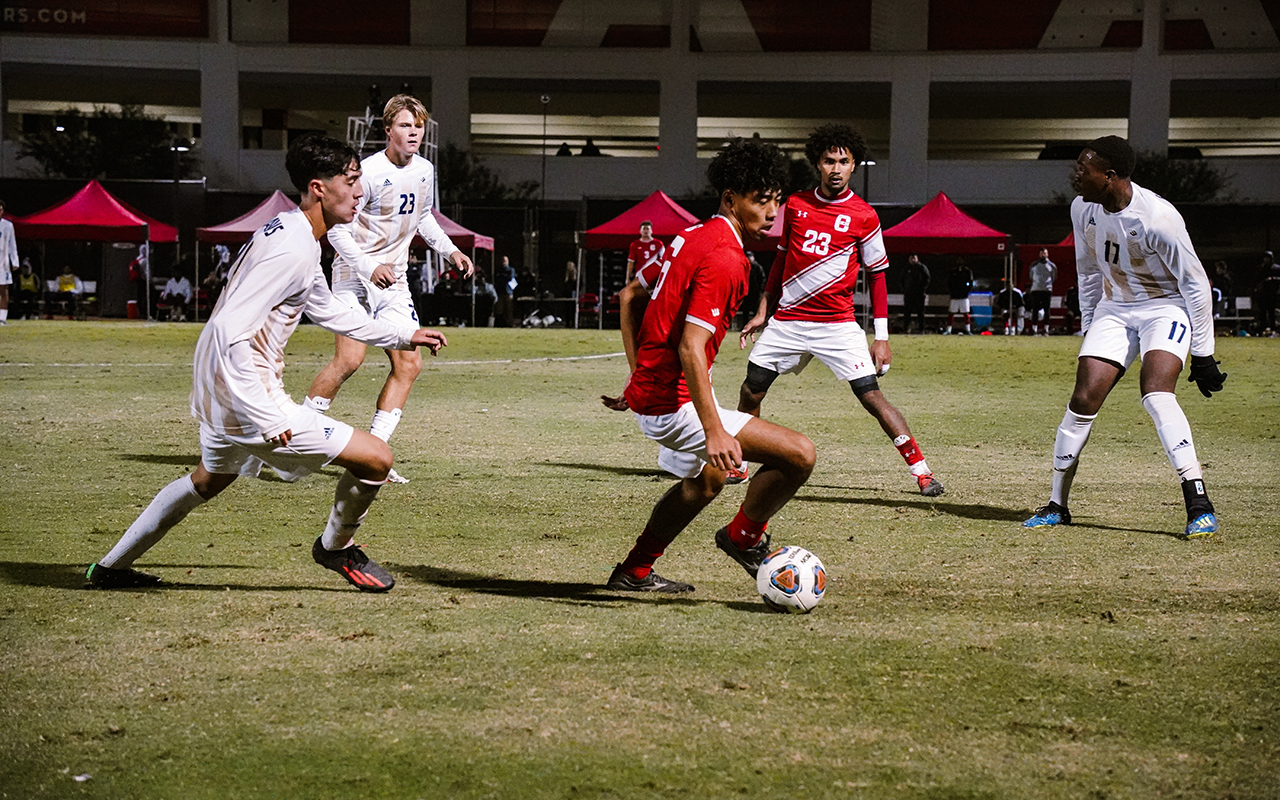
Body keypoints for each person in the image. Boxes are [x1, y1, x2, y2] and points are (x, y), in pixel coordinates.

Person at [84, 134, 450, 591]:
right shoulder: (292, 247)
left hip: (222, 389)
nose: (361, 193)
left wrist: (403, 333)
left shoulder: (289, 229)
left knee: (206, 481)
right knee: (377, 460)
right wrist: (260, 412)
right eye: (352, 181)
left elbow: (329, 309)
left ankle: (109, 568)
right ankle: (335, 549)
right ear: (319, 187)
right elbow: (227, 331)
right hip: (248, 394)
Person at [601, 138, 815, 593]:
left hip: (661, 392)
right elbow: (690, 348)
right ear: (730, 200)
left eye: (777, 201)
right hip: (674, 400)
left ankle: (634, 571)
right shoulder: (726, 257)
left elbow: (630, 297)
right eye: (761, 201)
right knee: (799, 455)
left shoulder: (691, 235)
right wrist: (714, 429)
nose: (772, 212)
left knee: (707, 482)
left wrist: (639, 373)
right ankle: (744, 539)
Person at [1024, 136, 1226, 539]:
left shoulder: (1158, 218)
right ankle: (1056, 506)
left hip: (1164, 307)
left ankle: (1198, 503)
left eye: (1085, 168)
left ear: (1110, 176)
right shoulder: (1083, 208)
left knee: (1156, 393)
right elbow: (1086, 271)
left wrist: (1204, 354)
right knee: (1082, 399)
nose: (1076, 174)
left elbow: (1196, 285)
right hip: (1114, 309)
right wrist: (1090, 328)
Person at [735, 124, 944, 497]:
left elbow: (878, 277)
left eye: (843, 161)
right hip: (789, 322)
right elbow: (781, 261)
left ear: (853, 166)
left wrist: (881, 338)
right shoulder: (795, 206)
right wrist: (763, 310)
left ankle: (922, 471)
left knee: (872, 397)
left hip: (837, 325)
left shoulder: (865, 216)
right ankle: (739, 464)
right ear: (818, 163)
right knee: (751, 390)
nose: (836, 168)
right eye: (829, 160)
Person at [304, 94, 474, 485]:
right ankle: (294, 441)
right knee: (349, 360)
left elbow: (423, 217)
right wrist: (368, 265)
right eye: (404, 125)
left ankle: (373, 452)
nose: (413, 132)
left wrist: (450, 251)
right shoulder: (364, 172)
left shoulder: (426, 169)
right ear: (387, 130)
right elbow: (339, 229)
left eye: (418, 126)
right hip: (353, 273)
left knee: (409, 364)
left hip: (393, 279)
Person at [1026, 248, 1058, 335]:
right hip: (1036, 289)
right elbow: (1031, 276)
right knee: (1035, 309)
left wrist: (1047, 284)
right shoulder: (1034, 265)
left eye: (1044, 253)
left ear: (1047, 254)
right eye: (1041, 253)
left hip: (1046, 290)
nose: (1043, 255)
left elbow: (1054, 277)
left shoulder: (1052, 266)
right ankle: (1034, 328)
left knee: (1046, 309)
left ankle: (1046, 328)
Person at [902, 254, 930, 334]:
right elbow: (902, 279)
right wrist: (905, 289)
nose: (912, 260)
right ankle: (905, 328)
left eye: (914, 258)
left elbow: (927, 278)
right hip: (909, 294)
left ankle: (921, 329)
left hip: (919, 294)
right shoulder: (906, 268)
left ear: (917, 258)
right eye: (911, 258)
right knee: (907, 312)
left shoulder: (922, 268)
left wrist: (923, 289)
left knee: (920, 312)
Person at [0, 199, 18, 326]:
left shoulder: (7, 225)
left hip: (3, 262)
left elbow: (12, 244)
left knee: (3, 290)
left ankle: (2, 318)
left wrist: (14, 260)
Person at [1252, 251, 1278, 333]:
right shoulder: (1260, 268)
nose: (1266, 259)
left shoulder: (1276, 268)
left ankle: (1273, 329)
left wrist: (1273, 279)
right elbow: (1256, 280)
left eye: (1268, 257)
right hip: (1262, 293)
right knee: (1262, 312)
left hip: (1273, 293)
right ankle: (1262, 329)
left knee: (1271, 312)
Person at [945, 258, 973, 334]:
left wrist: (966, 291)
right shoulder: (953, 271)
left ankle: (968, 330)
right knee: (951, 312)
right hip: (954, 296)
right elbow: (949, 283)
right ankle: (948, 330)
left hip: (964, 296)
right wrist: (952, 292)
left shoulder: (967, 271)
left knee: (966, 313)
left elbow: (970, 283)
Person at [494, 255, 515, 327]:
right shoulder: (499, 269)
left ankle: (510, 324)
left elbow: (510, 278)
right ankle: (500, 323)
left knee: (509, 309)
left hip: (508, 292)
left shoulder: (511, 270)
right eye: (503, 261)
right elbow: (497, 279)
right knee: (499, 309)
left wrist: (502, 277)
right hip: (500, 292)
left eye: (505, 261)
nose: (504, 262)